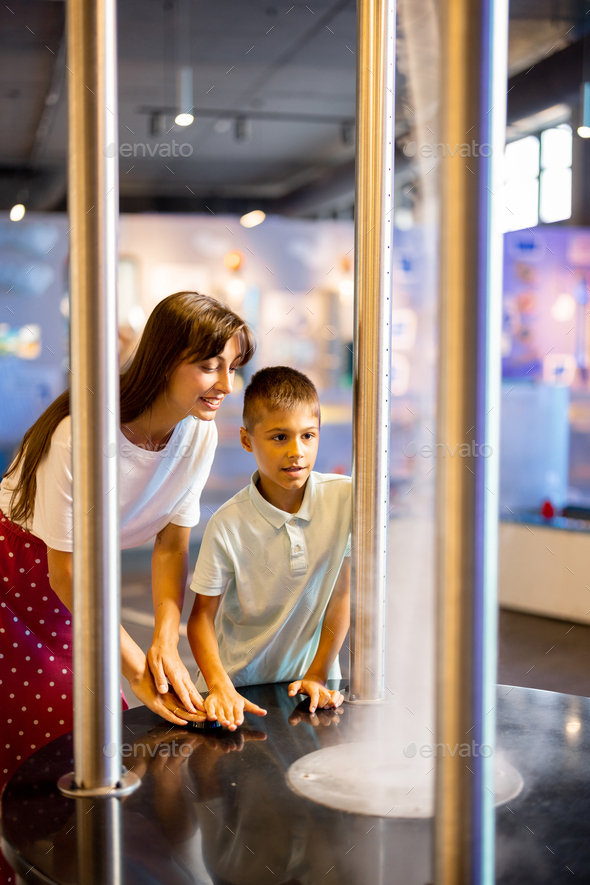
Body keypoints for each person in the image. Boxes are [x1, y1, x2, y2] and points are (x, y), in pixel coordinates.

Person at [0, 291, 255, 833]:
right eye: (210, 366)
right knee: (48, 728)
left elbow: (171, 543)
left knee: (103, 724)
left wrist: (166, 637)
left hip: (83, 580)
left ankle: (75, 857)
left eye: (233, 367)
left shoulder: (197, 432)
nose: (226, 386)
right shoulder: (81, 434)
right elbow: (63, 571)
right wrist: (138, 667)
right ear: (164, 359)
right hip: (16, 573)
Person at [187, 366, 351, 731]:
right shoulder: (227, 523)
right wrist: (218, 686)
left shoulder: (346, 498)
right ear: (247, 440)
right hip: (235, 694)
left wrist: (319, 675)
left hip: (308, 689)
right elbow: (200, 617)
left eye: (308, 435)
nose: (297, 451)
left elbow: (342, 596)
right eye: (280, 437)